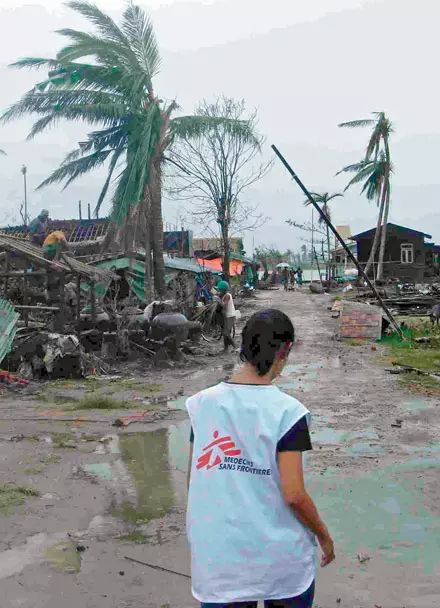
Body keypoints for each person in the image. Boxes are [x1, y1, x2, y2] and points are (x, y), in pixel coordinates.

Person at [186, 309, 335, 607]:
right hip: (280, 566)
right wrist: (324, 536)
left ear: (243, 346)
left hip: (219, 562)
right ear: (285, 350)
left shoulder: (200, 405)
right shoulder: (289, 413)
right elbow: (293, 495)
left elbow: (195, 482)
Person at [216, 280, 236, 353]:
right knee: (225, 334)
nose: (219, 291)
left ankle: (235, 346)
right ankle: (226, 348)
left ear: (224, 290)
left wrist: (218, 301)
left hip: (230, 316)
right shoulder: (223, 295)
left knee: (226, 333)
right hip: (226, 316)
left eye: (220, 290)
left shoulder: (227, 296)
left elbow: (224, 306)